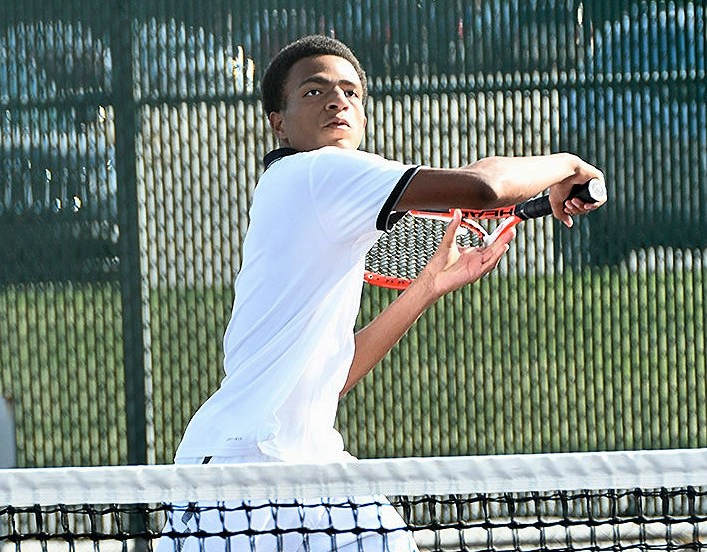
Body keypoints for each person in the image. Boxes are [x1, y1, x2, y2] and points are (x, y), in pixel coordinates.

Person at [160, 34, 605, 551]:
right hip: (238, 478)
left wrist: (425, 289)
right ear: (277, 122)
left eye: (350, 92)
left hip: (318, 469)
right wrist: (568, 165)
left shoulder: (328, 207)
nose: (336, 101)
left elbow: (334, 377)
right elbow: (483, 189)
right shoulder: (314, 172)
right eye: (313, 91)